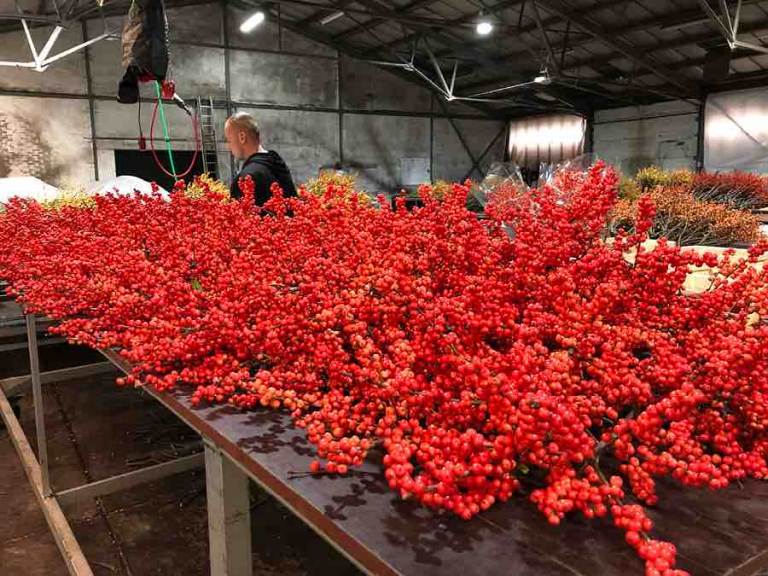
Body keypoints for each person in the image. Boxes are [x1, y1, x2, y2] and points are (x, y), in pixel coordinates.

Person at [224, 112, 297, 205]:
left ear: (242, 137)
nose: (228, 147)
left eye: (229, 140)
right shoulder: (277, 163)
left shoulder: (245, 179)